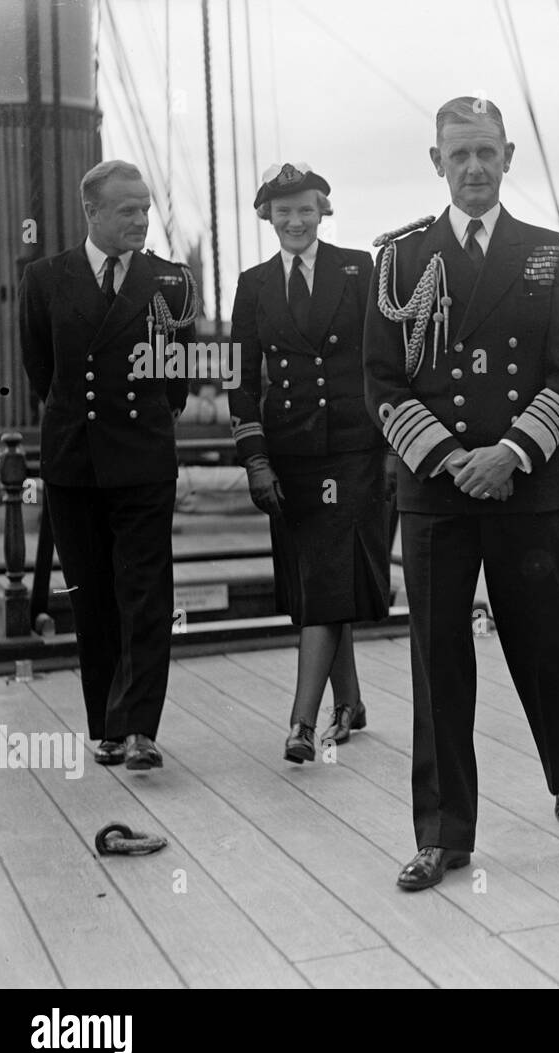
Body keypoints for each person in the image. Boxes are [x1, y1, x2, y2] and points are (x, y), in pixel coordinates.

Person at [364, 96, 559, 892]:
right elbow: (383, 383)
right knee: (439, 663)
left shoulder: (551, 254)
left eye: (486, 152)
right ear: (436, 162)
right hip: (438, 492)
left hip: (524, 487)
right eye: (458, 154)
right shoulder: (397, 261)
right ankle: (443, 834)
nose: (473, 167)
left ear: (508, 155)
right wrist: (453, 457)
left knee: (548, 641)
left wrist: (512, 452)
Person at [18, 160, 196, 770]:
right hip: (74, 464)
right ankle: (106, 727)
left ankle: (141, 727)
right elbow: (44, 372)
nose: (142, 219)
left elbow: (179, 382)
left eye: (146, 208)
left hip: (144, 461)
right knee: (91, 597)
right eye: (128, 210)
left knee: (147, 594)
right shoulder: (44, 279)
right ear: (92, 212)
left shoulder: (172, 282)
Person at [228, 162, 392, 764]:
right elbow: (240, 381)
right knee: (322, 580)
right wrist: (255, 458)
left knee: (325, 578)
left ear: (323, 211)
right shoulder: (253, 285)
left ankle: (301, 721)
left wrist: (391, 441)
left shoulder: (359, 269)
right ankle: (349, 701)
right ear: (266, 216)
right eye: (282, 211)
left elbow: (382, 359)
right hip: (290, 454)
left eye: (305, 209)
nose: (294, 221)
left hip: (352, 450)